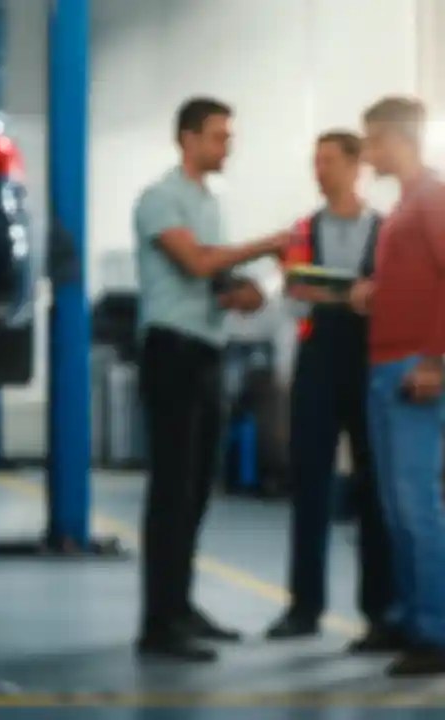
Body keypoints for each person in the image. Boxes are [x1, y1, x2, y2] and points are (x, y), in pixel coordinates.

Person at [133, 97, 291, 662]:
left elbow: (215, 280)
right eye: (220, 137)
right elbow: (196, 263)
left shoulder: (208, 204)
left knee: (197, 487)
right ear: (188, 139)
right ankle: (157, 623)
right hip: (170, 353)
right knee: (171, 489)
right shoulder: (160, 199)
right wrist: (271, 243)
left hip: (205, 352)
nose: (229, 146)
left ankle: (180, 606)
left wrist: (244, 292)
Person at [264, 132, 397, 650]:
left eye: (328, 161)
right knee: (310, 488)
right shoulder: (304, 228)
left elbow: (385, 296)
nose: (319, 170)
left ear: (355, 165)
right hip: (316, 364)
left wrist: (325, 290)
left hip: (369, 364)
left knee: (373, 490)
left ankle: (380, 613)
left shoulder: (385, 232)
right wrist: (351, 293)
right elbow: (294, 295)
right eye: (314, 161)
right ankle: (303, 607)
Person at [352, 95, 445, 677]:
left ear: (395, 138)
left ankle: (436, 631)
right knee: (395, 507)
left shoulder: (434, 198)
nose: (366, 153)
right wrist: (372, 294)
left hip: (416, 366)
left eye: (370, 142)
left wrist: (435, 359)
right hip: (386, 365)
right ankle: (412, 622)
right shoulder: (402, 208)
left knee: (417, 507)